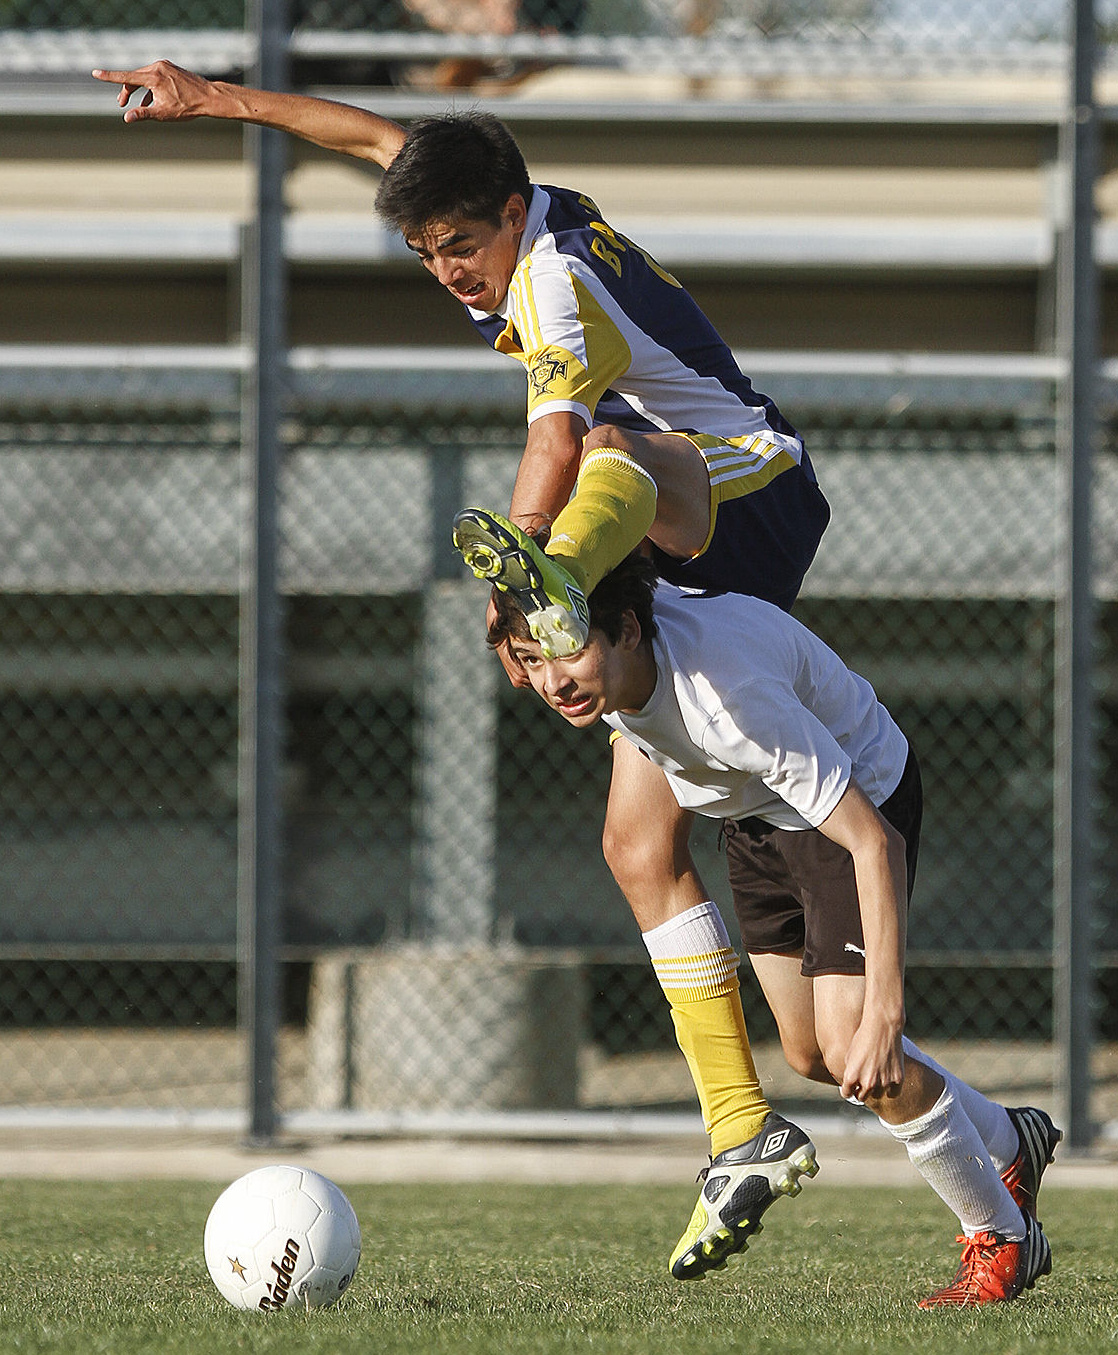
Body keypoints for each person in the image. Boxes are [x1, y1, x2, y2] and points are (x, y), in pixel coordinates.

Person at [92, 61, 832, 1274]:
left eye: (456, 245)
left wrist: (514, 570)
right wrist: (217, 99)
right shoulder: (511, 205)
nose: (446, 270)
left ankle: (553, 581)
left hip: (740, 496)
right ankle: (760, 1125)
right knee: (638, 848)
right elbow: (377, 136)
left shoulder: (547, 275)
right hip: (689, 515)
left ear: (505, 211)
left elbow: (550, 437)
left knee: (599, 443)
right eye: (426, 250)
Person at [479, 549, 1062, 1306]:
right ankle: (1015, 1137)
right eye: (532, 658)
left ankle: (1005, 1234)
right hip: (755, 816)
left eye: (568, 651)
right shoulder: (610, 659)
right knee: (812, 1053)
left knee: (861, 1048)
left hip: (857, 798)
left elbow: (872, 842)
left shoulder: (728, 703)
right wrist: (518, 622)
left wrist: (888, 1012)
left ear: (626, 630)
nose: (554, 681)